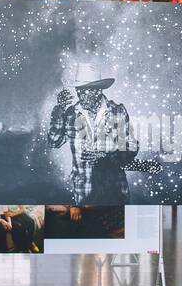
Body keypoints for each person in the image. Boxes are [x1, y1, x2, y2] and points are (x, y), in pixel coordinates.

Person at [46, 63, 138, 203]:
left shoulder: (117, 111)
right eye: (79, 91)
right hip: (84, 192)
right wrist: (59, 109)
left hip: (115, 190)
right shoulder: (70, 114)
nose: (81, 96)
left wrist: (107, 158)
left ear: (97, 91)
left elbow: (130, 147)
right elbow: (54, 141)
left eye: (86, 91)